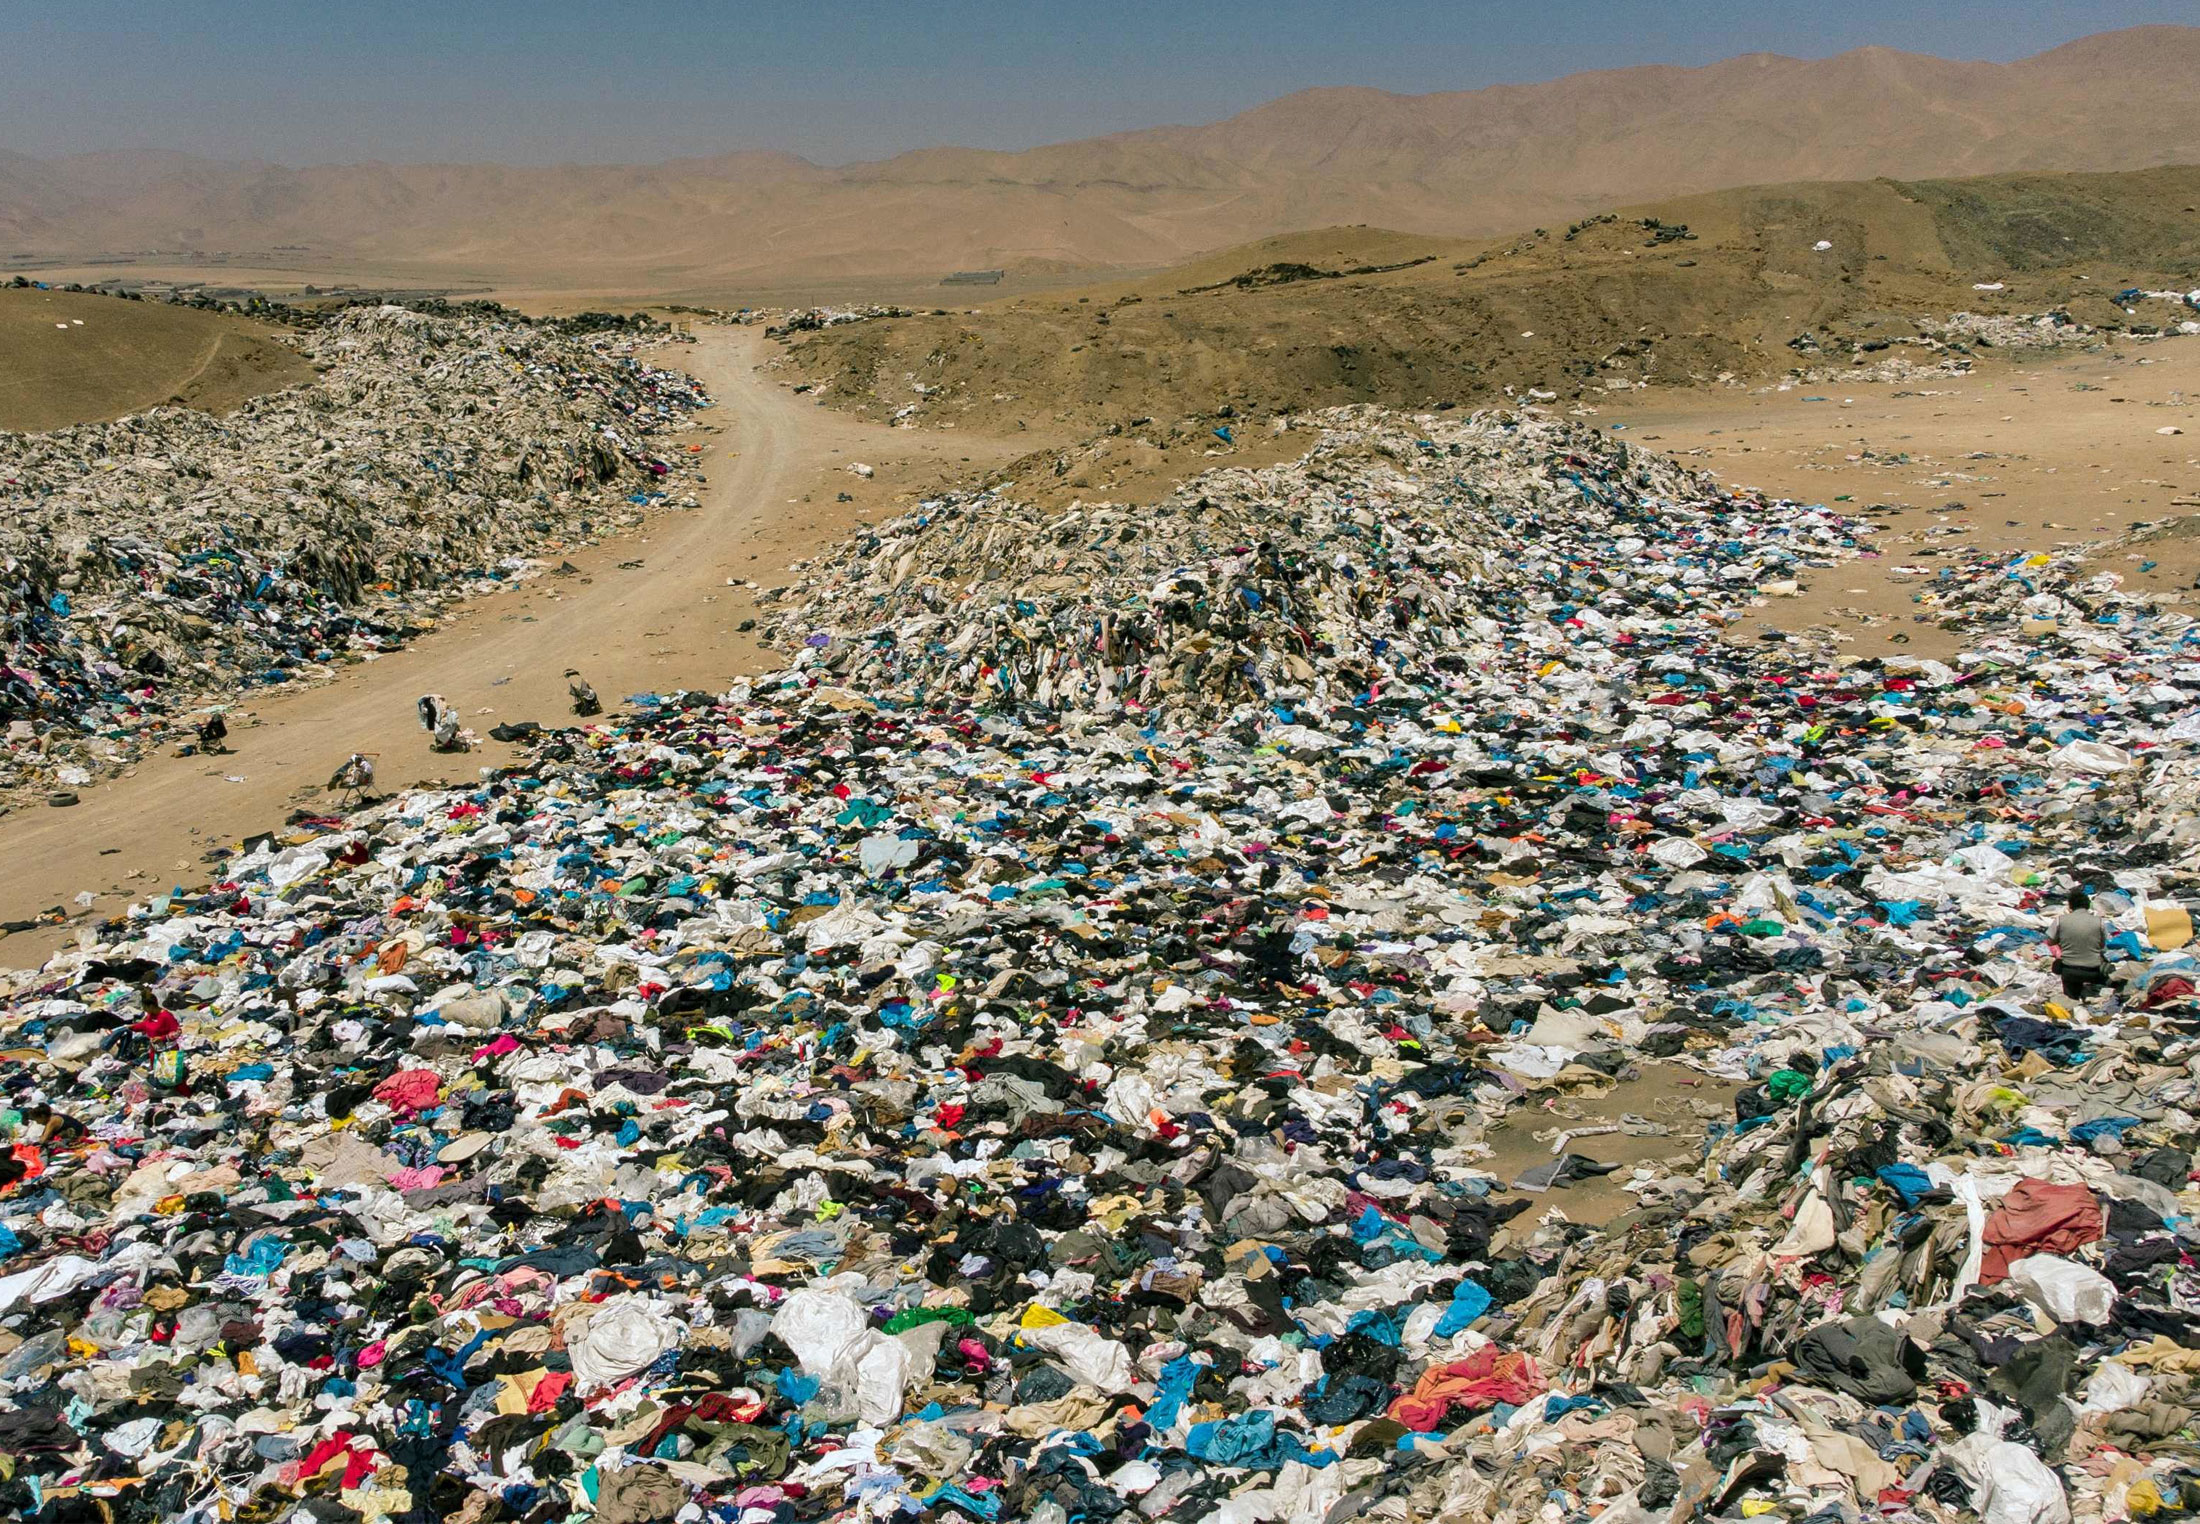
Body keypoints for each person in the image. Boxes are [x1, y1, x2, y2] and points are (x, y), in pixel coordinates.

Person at [2051, 886, 2110, 1008]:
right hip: (2093, 972)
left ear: (2070, 906)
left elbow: (2050, 941)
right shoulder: (2099, 922)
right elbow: (2102, 945)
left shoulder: (2060, 920)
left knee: (2058, 966)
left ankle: (2072, 1002)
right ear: (2088, 905)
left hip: (2069, 971)